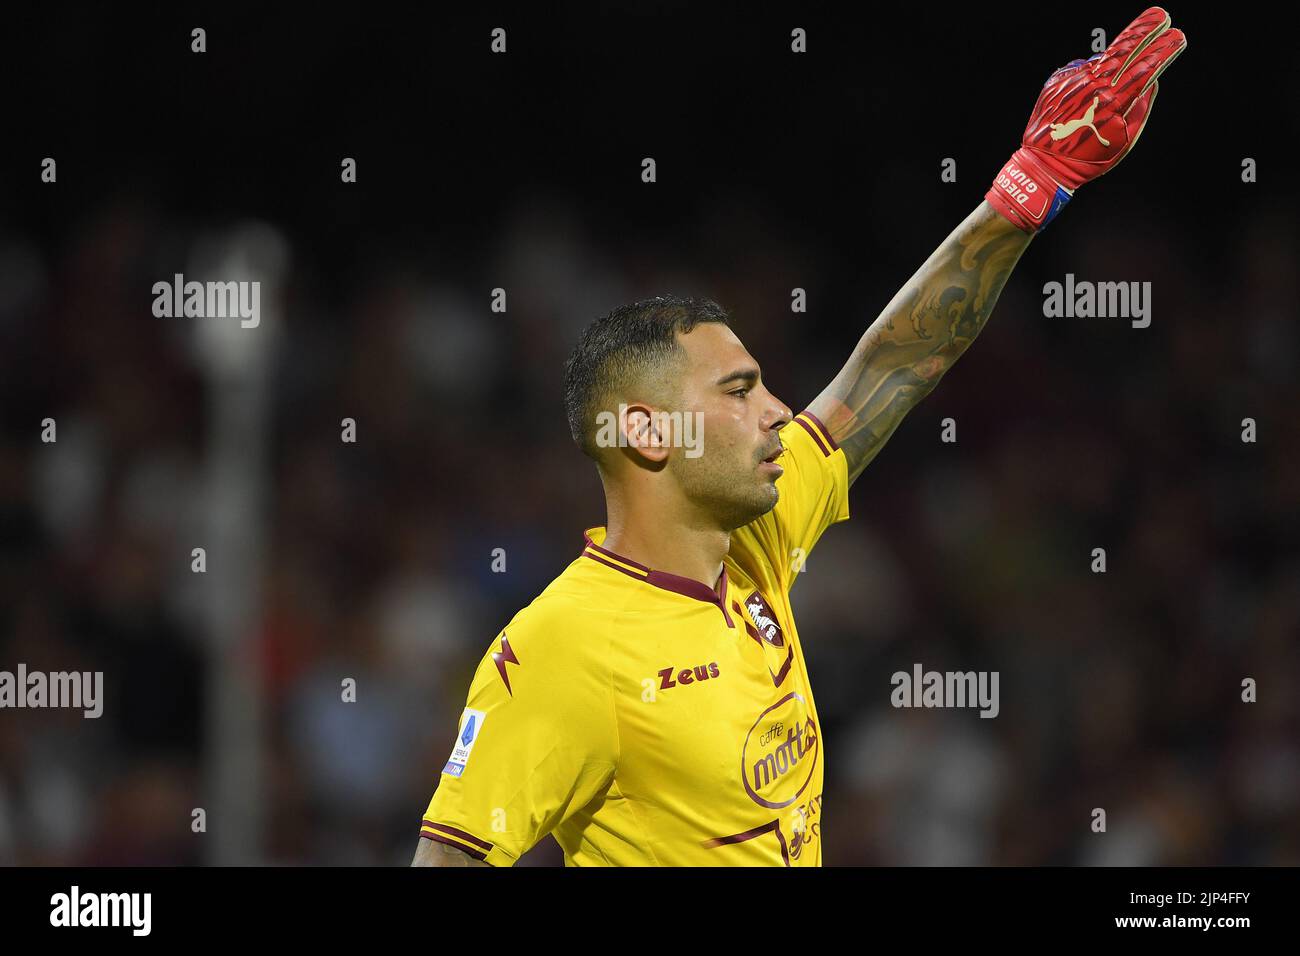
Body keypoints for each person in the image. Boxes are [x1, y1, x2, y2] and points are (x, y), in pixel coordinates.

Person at [412, 7, 1186, 866]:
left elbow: (898, 362)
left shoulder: (757, 541)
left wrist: (1028, 187)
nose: (780, 411)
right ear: (646, 430)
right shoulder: (562, 648)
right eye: (740, 391)